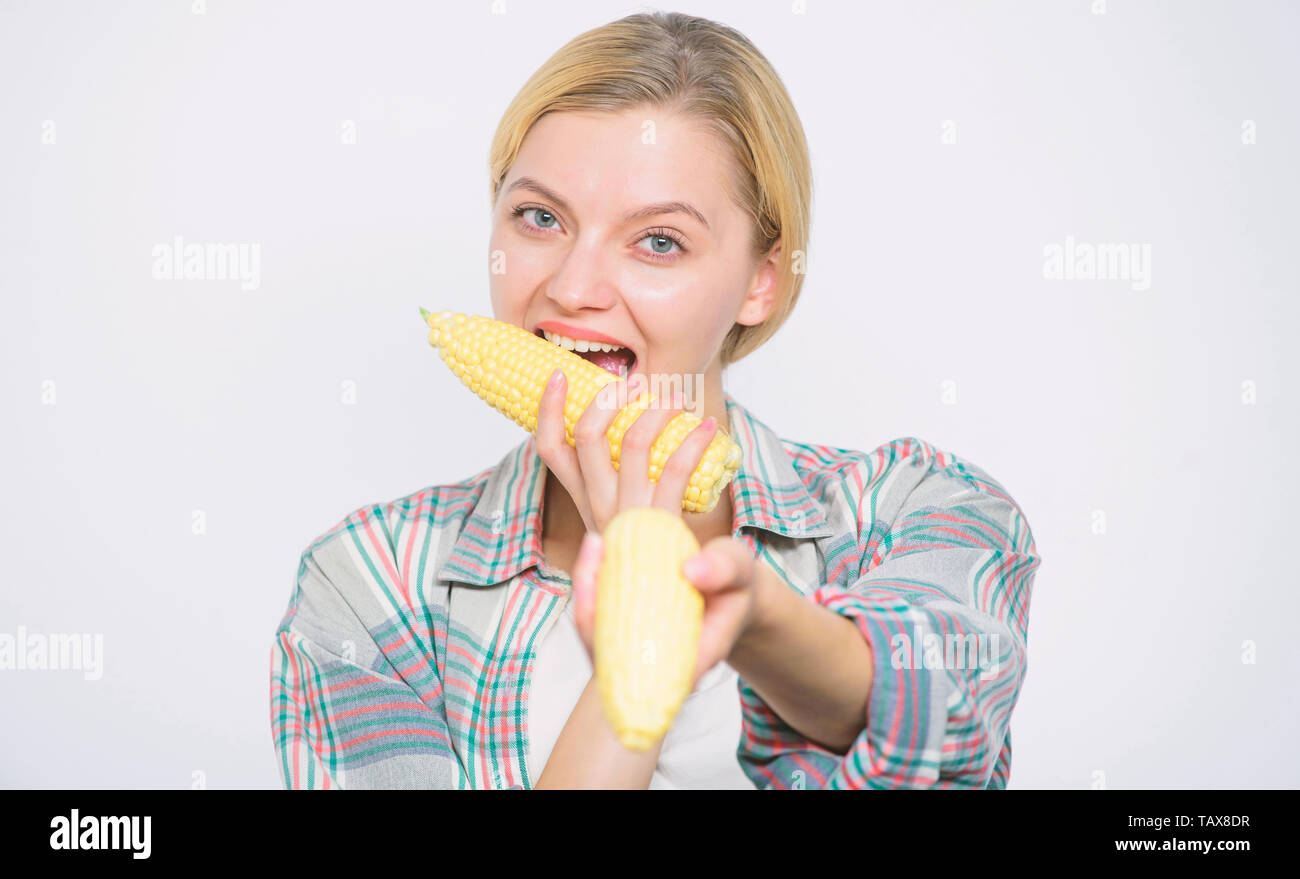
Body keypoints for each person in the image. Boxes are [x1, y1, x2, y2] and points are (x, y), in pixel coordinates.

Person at [270, 10, 1041, 789]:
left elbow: (939, 730)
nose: (571, 287)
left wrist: (747, 612)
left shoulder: (919, 509)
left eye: (659, 240)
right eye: (540, 217)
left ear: (761, 280)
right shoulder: (369, 584)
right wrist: (643, 630)